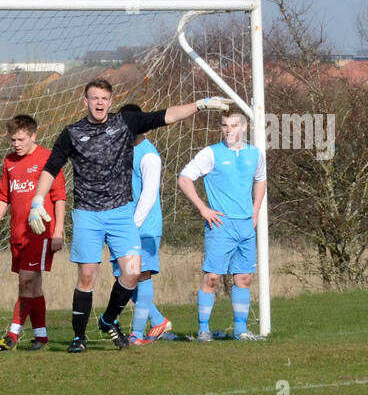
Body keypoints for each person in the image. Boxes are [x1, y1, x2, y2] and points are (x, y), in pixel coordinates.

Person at [27, 79, 229, 352]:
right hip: (88, 213)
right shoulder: (72, 133)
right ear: (84, 101)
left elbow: (165, 116)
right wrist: (37, 200)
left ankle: (108, 320)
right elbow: (51, 168)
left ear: (110, 102)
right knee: (87, 276)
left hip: (121, 213)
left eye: (104, 98)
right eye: (94, 98)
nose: (99, 103)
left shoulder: (124, 123)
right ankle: (79, 338)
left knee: (133, 273)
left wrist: (200, 105)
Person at [177, 111, 267, 340]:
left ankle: (241, 331)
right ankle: (203, 330)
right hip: (220, 226)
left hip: (245, 226)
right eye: (225, 125)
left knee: (244, 278)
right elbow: (184, 178)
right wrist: (203, 208)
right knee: (212, 278)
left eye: (234, 125)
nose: (229, 130)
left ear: (244, 128)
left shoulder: (255, 154)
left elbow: (260, 180)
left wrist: (255, 211)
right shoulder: (211, 153)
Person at [0, 115, 66, 351]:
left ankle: (12, 336)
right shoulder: (9, 161)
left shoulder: (48, 159)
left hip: (39, 234)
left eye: (21, 139)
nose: (16, 144)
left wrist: (58, 231)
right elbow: (3, 197)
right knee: (33, 287)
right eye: (13, 140)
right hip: (17, 233)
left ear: (33, 136)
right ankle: (41, 336)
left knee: (26, 282)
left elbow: (59, 197)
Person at [111, 103, 172, 346]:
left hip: (143, 227)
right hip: (123, 225)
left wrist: (132, 226)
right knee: (124, 278)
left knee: (141, 276)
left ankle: (136, 334)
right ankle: (157, 321)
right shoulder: (120, 151)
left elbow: (148, 196)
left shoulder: (149, 155)